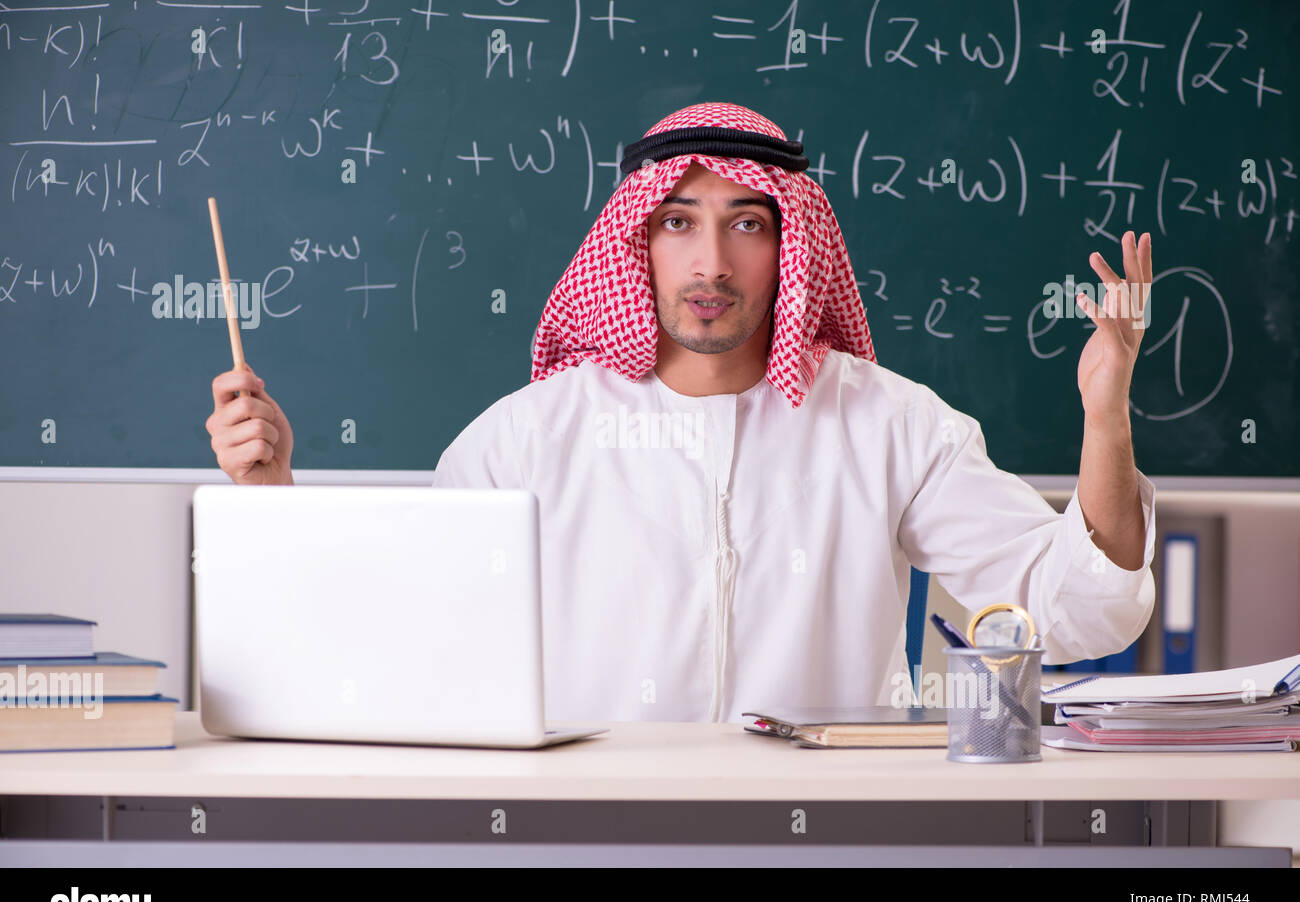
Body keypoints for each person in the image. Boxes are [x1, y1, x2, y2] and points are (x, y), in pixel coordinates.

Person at [207, 102, 1156, 724]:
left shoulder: (888, 426)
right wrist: (272, 495)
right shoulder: (524, 442)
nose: (711, 262)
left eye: (747, 223)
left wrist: (1105, 422)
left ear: (790, 246)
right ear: (638, 242)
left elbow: (1080, 609)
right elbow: (394, 650)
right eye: (679, 222)